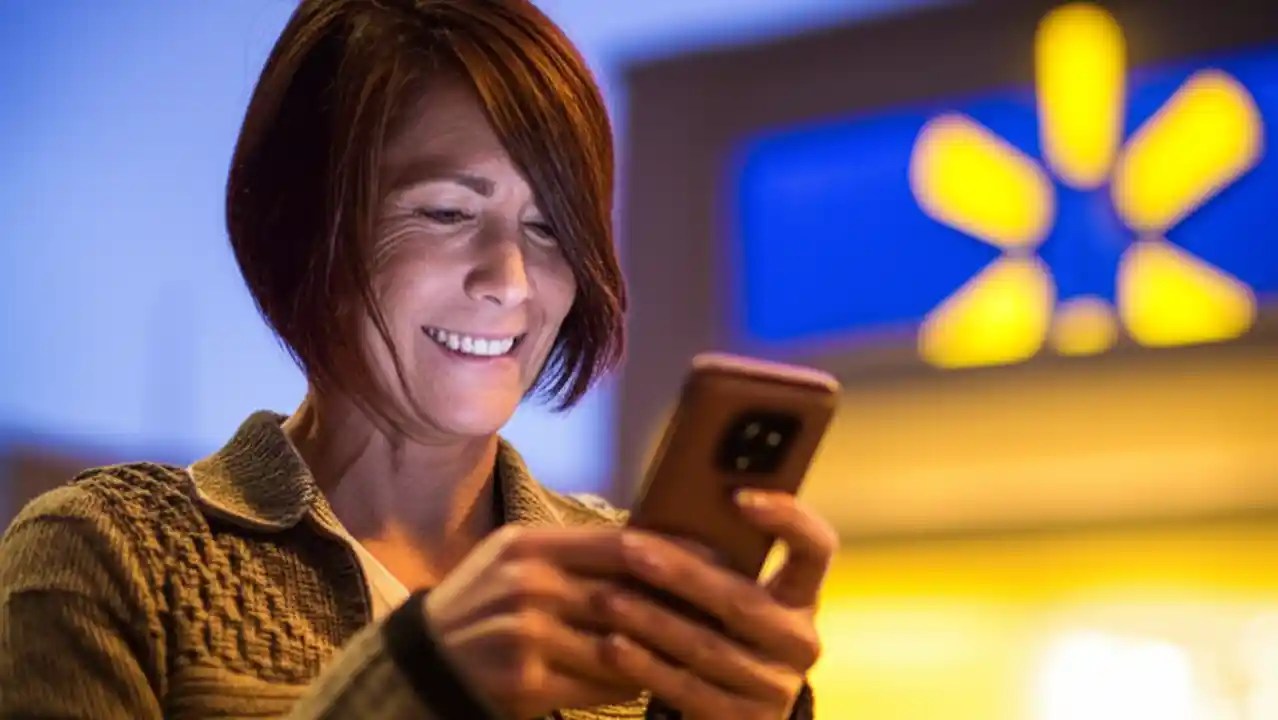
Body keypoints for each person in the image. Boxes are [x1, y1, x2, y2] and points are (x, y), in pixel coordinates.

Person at [0, 1, 837, 718]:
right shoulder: (112, 556)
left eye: (550, 228)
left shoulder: (638, 595)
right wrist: (410, 686)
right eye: (446, 212)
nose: (510, 281)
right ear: (310, 224)